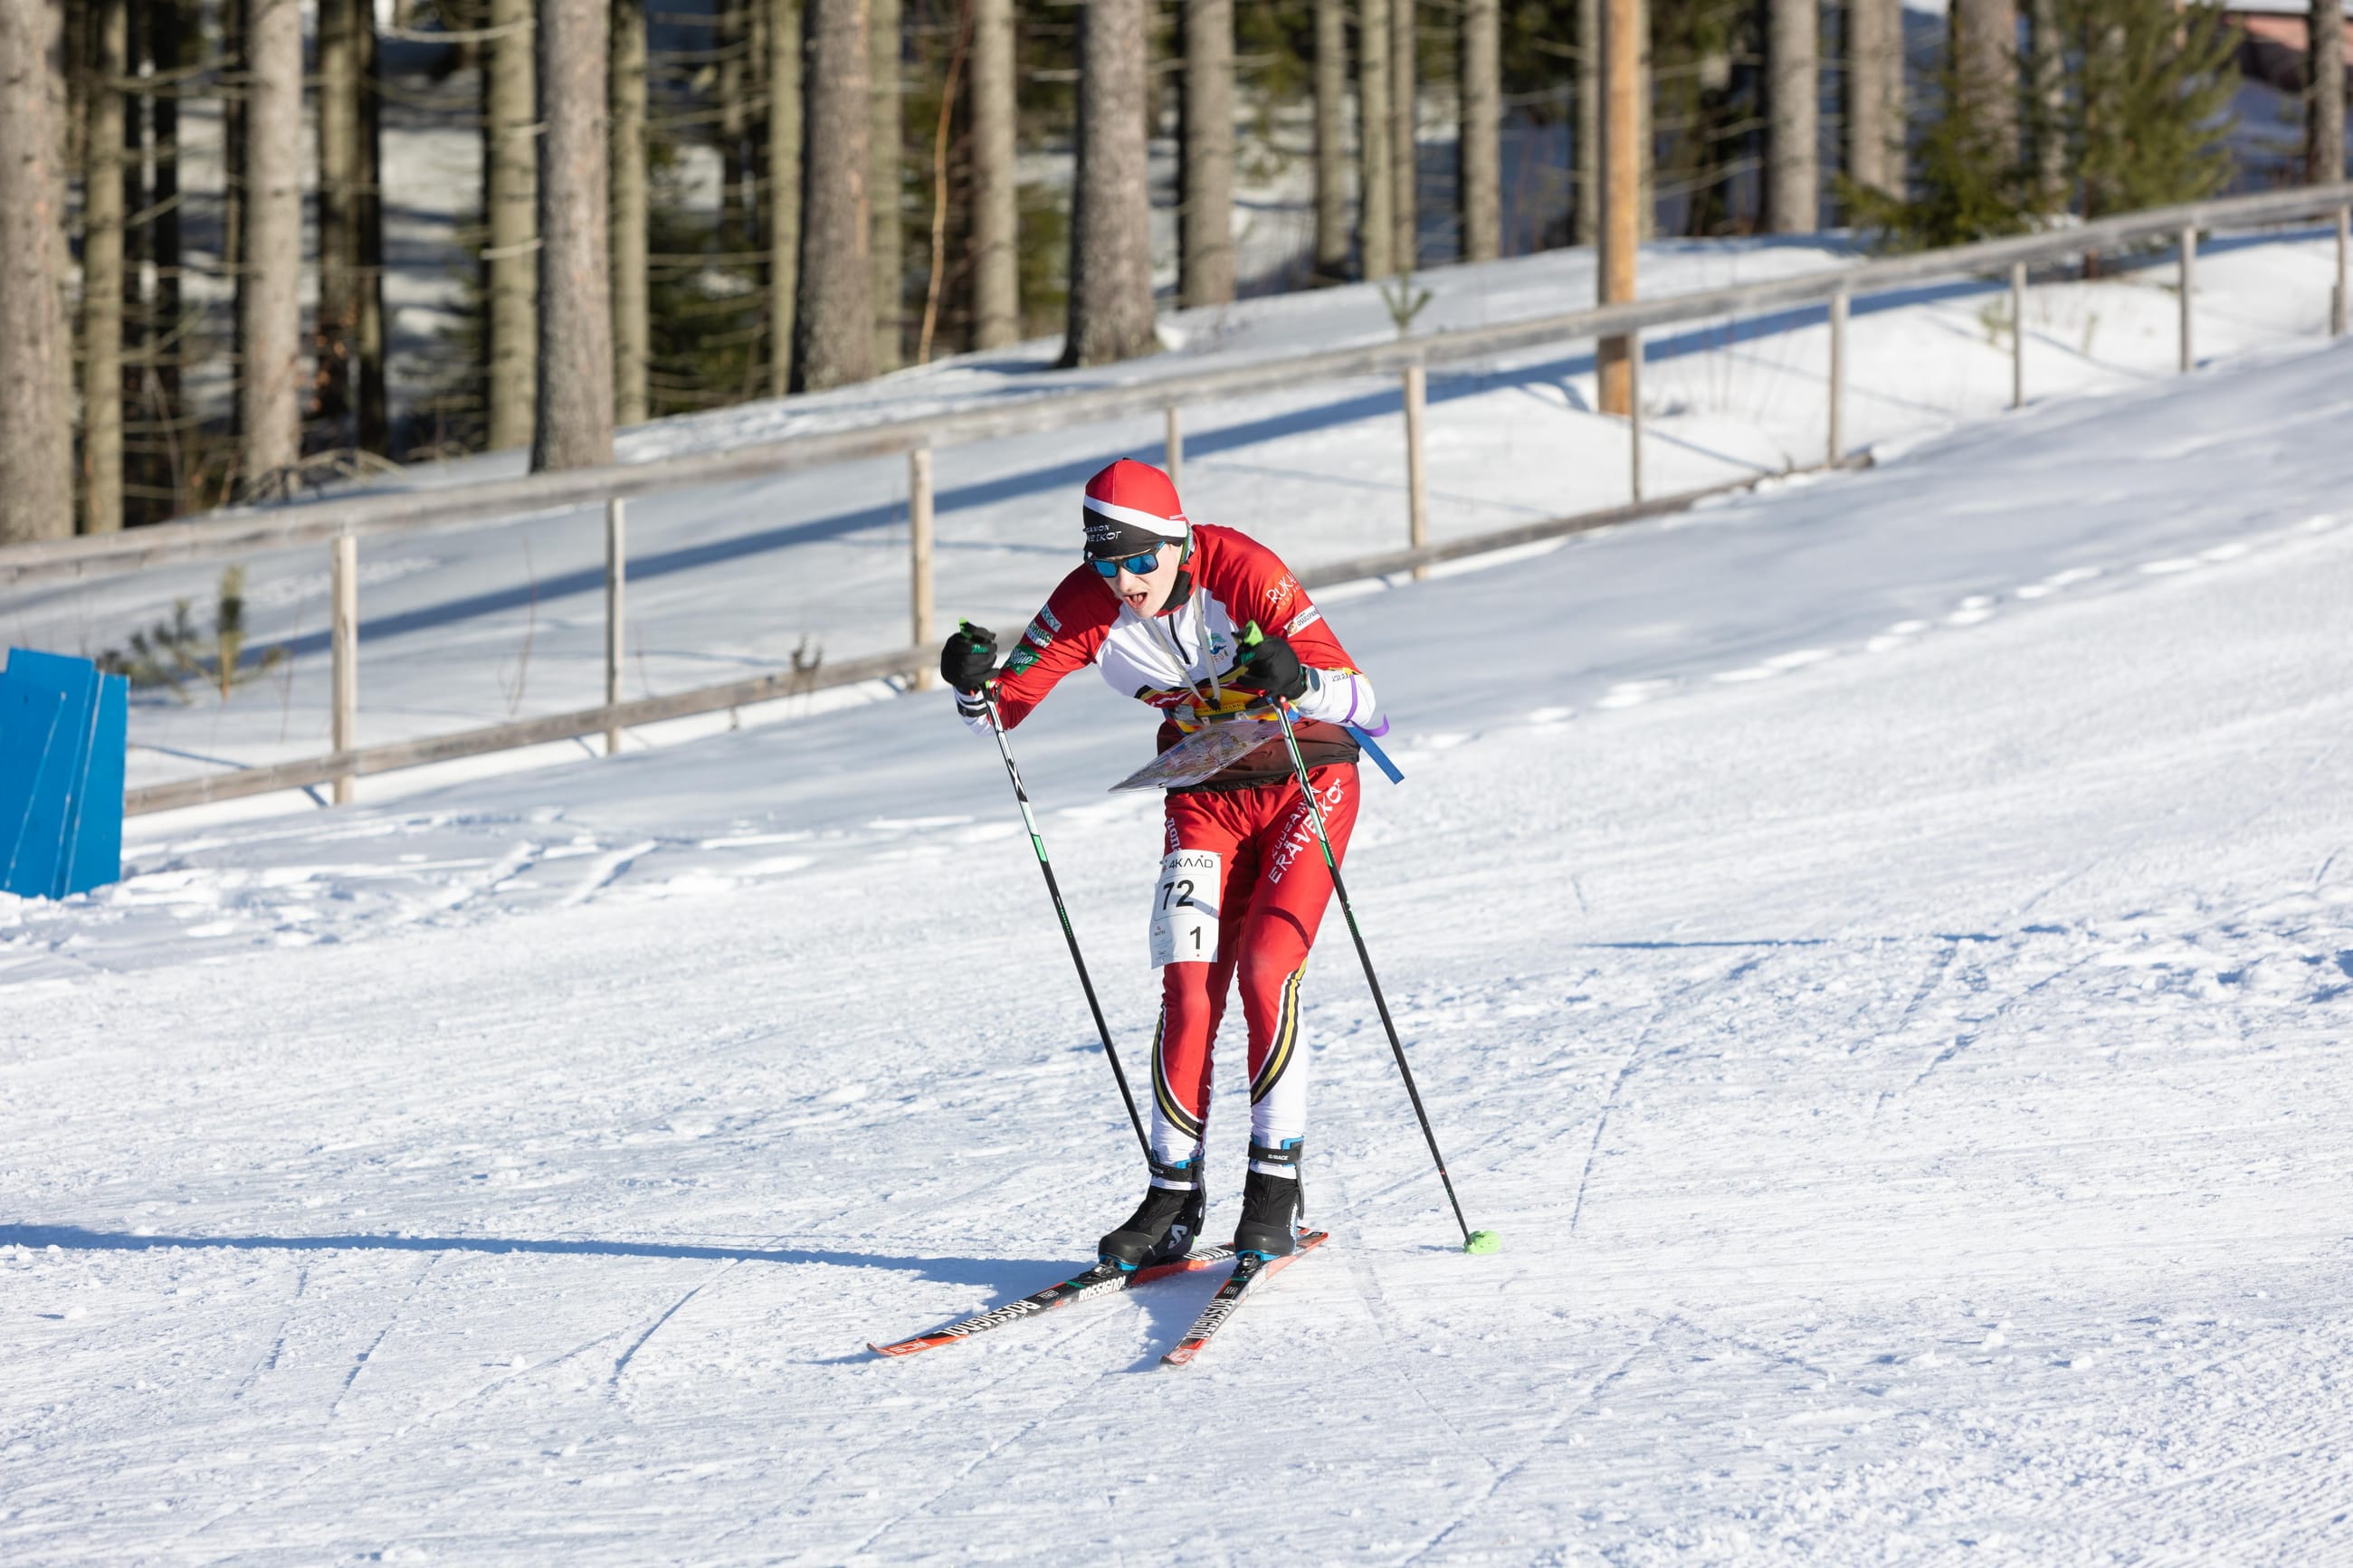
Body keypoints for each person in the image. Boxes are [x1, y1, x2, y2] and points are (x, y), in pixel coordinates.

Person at [938, 459, 1383, 1265]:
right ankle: (1173, 1194)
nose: (1126, 581)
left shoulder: (1241, 568)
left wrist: (1301, 678)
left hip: (1302, 778)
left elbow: (1369, 704)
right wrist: (971, 684)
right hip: (1201, 792)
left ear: (1179, 541)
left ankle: (1274, 1187)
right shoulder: (1086, 602)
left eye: (1142, 559)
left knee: (1265, 967)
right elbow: (999, 715)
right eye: (1108, 563)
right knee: (1187, 980)